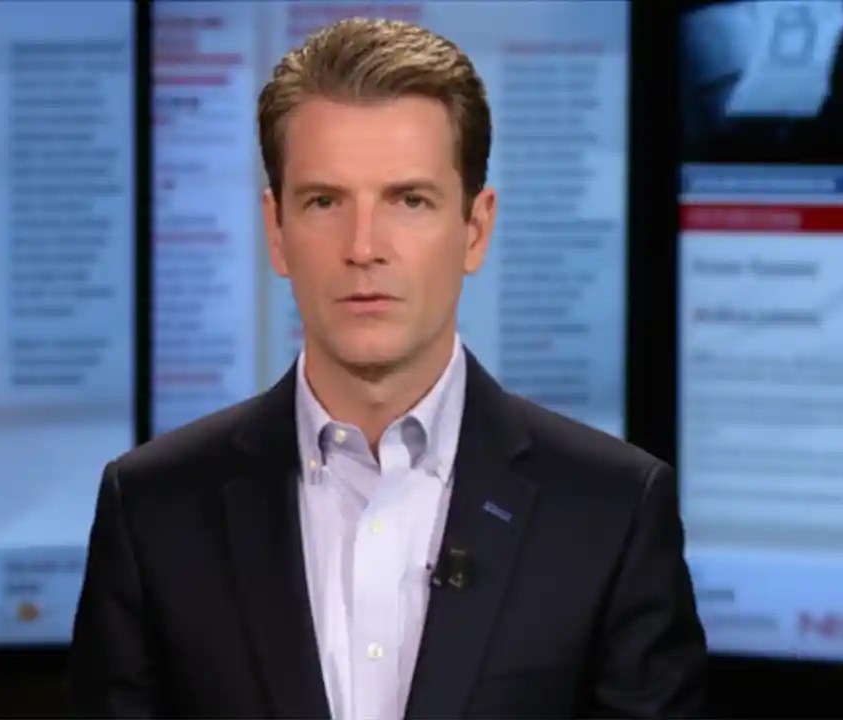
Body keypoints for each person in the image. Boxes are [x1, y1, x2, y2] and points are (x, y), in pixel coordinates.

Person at [69, 17, 707, 719]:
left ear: (475, 229)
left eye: (409, 200)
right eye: (324, 202)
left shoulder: (610, 513)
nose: (364, 246)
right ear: (276, 231)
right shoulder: (154, 512)